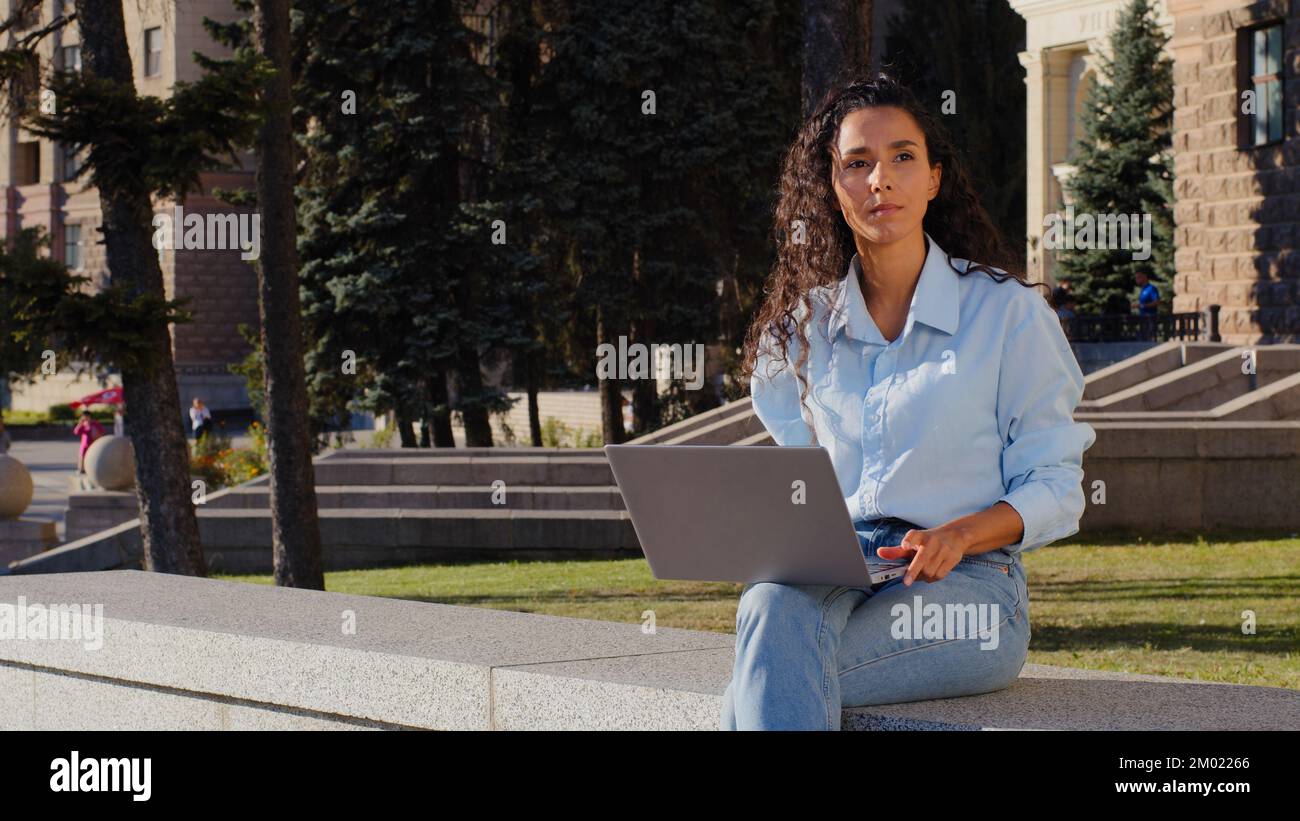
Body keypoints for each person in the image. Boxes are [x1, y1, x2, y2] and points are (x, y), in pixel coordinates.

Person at [726, 72, 1096, 730]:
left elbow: (1057, 484)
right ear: (831, 185)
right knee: (769, 607)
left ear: (934, 178)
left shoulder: (1006, 315)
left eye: (902, 157)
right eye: (858, 163)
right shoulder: (804, 330)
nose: (880, 180)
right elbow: (798, 479)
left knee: (772, 672)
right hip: (839, 573)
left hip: (970, 590)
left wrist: (961, 532)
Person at [72, 410, 105, 474]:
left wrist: (98, 436)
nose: (85, 418)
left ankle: (92, 469)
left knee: (93, 457)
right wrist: (80, 423)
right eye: (84, 416)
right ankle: (81, 469)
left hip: (93, 443)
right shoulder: (83, 424)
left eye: (86, 416)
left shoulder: (95, 423)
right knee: (82, 457)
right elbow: (76, 432)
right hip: (84, 444)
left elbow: (102, 431)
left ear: (90, 416)